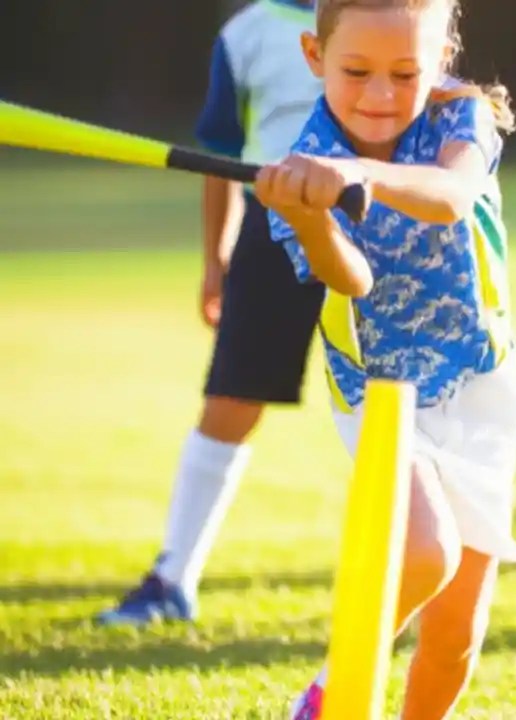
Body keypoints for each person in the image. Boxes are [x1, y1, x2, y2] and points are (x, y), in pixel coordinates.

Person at [251, 1, 516, 716]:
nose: (379, 95)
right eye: (356, 72)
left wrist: (353, 176)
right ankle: (330, 694)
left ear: (441, 58)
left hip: (478, 382)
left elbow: (450, 196)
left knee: (457, 633)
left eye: (405, 73)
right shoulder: (300, 157)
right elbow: (354, 279)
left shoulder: (460, 116)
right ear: (314, 56)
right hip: (381, 387)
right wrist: (311, 216)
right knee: (424, 553)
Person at [98, 0, 326, 626]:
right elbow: (219, 155)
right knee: (231, 399)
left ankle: (418, 578)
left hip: (370, 228)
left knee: (391, 408)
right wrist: (214, 258)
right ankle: (173, 578)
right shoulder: (244, 35)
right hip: (270, 234)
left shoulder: (396, 14)